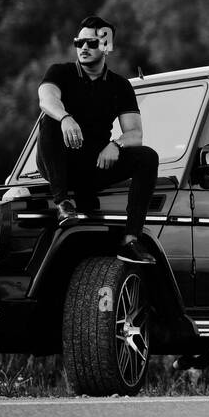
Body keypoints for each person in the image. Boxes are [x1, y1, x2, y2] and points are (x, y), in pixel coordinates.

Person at [36, 15, 160, 262]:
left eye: (92, 43)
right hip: (59, 165)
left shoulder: (120, 85)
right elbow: (46, 100)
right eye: (78, 42)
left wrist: (116, 144)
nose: (83, 48)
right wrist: (65, 118)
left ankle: (131, 240)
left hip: (94, 165)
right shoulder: (60, 72)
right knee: (49, 118)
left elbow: (135, 134)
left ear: (106, 47)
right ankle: (62, 204)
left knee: (148, 157)